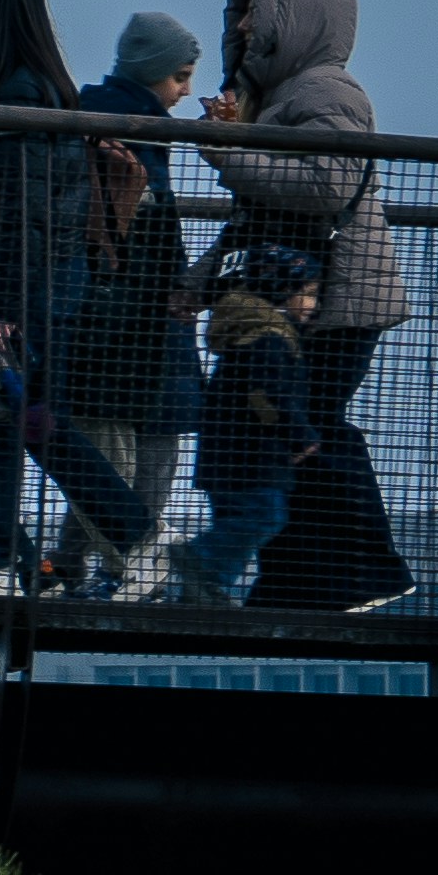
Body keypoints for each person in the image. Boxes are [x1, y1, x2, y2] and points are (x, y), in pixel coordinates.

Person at [0, 0, 160, 583]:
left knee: (20, 422)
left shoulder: (15, 91)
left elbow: (21, 209)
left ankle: (128, 540)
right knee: (8, 419)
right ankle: (0, 557)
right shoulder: (43, 85)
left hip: (17, 287)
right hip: (37, 283)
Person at [197, 0, 414, 610]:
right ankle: (296, 580)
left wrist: (232, 155)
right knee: (285, 431)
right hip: (297, 293)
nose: (238, 24)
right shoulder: (281, 96)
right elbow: (258, 218)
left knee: (312, 425)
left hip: (336, 299)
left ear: (292, 20)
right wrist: (201, 280)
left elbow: (328, 186)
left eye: (252, 11)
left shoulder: (329, 92)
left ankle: (366, 571)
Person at [48, 10, 204, 591]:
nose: (186, 91)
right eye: (180, 76)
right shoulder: (131, 131)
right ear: (152, 73)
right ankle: (131, 569)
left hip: (120, 321)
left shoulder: (111, 121)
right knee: (140, 456)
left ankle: (74, 564)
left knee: (103, 459)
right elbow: (124, 232)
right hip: (133, 324)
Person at [179, 236, 328, 603]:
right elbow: (266, 395)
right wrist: (298, 436)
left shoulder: (243, 332)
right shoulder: (270, 339)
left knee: (234, 520)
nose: (313, 304)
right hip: (251, 460)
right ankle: (198, 561)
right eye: (307, 293)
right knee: (265, 517)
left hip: (224, 459)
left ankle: (202, 591)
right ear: (285, 290)